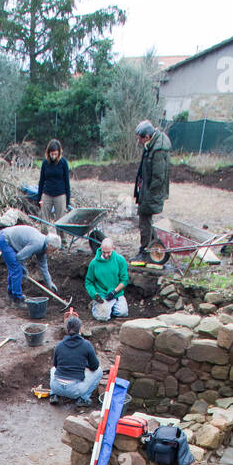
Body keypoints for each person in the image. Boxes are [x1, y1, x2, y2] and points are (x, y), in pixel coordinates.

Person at [132, 120, 171, 260]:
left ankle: (145, 252)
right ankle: (155, 247)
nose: (139, 142)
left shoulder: (158, 149)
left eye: (140, 139)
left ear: (147, 137)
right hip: (147, 190)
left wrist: (148, 193)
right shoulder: (152, 144)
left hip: (152, 192)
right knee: (146, 221)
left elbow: (158, 177)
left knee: (144, 221)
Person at [0, 223, 61, 304]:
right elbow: (19, 257)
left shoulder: (44, 247)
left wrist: (49, 283)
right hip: (5, 239)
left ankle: (12, 294)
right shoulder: (38, 244)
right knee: (17, 270)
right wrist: (24, 270)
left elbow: (43, 267)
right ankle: (17, 299)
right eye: (53, 250)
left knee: (14, 269)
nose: (53, 252)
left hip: (11, 240)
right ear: (49, 245)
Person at [49, 314, 102, 407]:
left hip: (56, 386)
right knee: (99, 371)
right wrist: (85, 366)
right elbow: (95, 366)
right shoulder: (86, 345)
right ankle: (83, 399)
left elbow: (56, 365)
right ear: (80, 329)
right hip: (75, 390)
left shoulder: (59, 345)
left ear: (67, 330)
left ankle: (53, 395)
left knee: (53, 369)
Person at [85, 235, 129, 321]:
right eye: (103, 252)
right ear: (100, 248)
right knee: (103, 317)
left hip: (116, 294)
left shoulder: (120, 260)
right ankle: (96, 306)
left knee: (122, 313)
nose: (105, 255)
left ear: (113, 248)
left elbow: (124, 279)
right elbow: (89, 282)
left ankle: (108, 308)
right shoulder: (94, 263)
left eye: (108, 252)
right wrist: (94, 294)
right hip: (102, 295)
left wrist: (114, 291)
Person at [37, 139, 71, 243]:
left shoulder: (63, 163)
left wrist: (67, 199)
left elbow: (67, 181)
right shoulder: (45, 163)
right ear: (48, 153)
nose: (54, 156)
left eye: (56, 154)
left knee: (60, 220)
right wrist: (39, 198)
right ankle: (43, 241)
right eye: (52, 154)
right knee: (44, 220)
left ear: (59, 152)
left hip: (60, 194)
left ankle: (63, 242)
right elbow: (41, 180)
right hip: (47, 194)